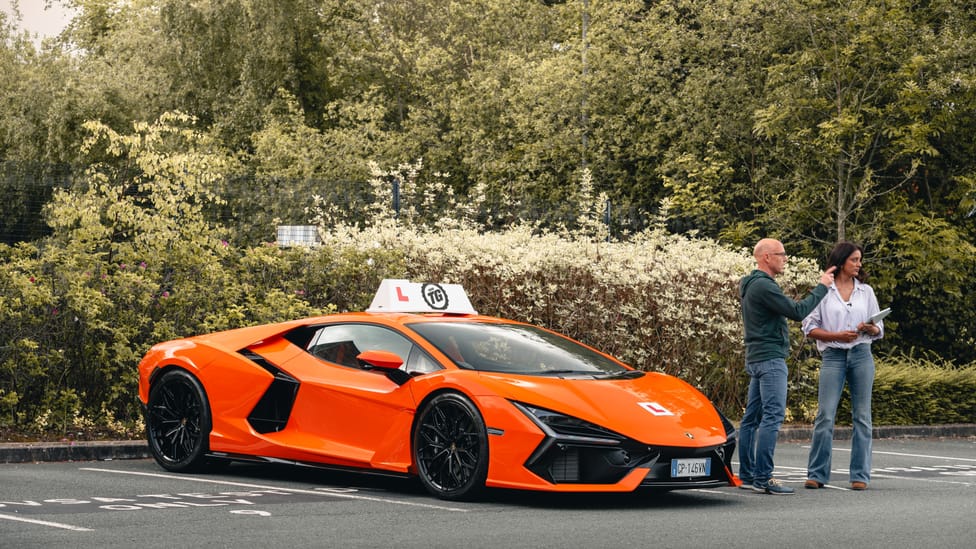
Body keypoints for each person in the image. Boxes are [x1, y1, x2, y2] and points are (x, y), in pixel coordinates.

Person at [738, 238, 836, 495]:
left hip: (757, 357)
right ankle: (763, 478)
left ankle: (748, 475)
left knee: (751, 419)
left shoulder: (750, 284)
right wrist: (822, 287)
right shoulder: (763, 286)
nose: (786, 259)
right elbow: (797, 311)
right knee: (772, 417)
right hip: (770, 359)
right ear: (766, 257)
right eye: (781, 254)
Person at [802, 241, 883, 491]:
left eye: (860, 260)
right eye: (854, 260)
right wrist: (835, 336)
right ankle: (817, 474)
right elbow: (809, 327)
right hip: (833, 357)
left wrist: (871, 328)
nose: (859, 264)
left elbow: (880, 329)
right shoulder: (824, 291)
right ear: (841, 262)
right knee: (825, 415)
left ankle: (860, 475)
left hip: (861, 354)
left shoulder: (866, 291)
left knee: (862, 416)